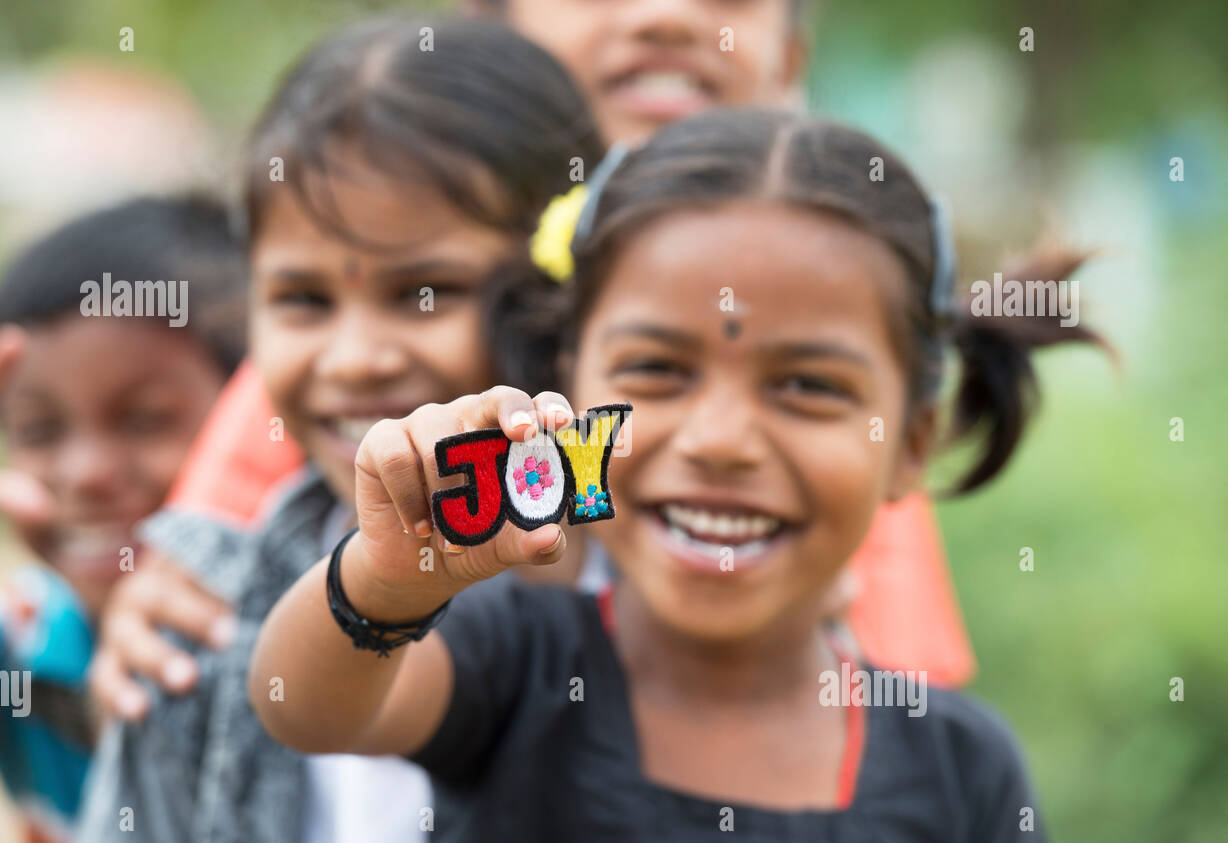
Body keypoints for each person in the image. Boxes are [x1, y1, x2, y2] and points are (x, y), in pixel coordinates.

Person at [251, 110, 1110, 843]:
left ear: (911, 444)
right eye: (658, 369)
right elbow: (303, 710)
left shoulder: (965, 773)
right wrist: (385, 585)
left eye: (808, 385)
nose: (720, 442)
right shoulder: (513, 659)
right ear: (569, 388)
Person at [92, 0, 972, 728]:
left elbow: (908, 717)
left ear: (791, 59)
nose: (664, 14)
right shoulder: (480, 614)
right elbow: (278, 675)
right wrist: (204, 556)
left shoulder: (843, 307)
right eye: (658, 366)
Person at [73, 17, 607, 843]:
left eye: (425, 291)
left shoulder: (667, 587)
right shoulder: (197, 615)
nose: (356, 360)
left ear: (563, 292)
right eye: (303, 300)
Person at [0, 196, 244, 843]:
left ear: (249, 414)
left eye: (144, 419)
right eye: (40, 431)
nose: (87, 473)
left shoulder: (322, 632)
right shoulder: (21, 641)